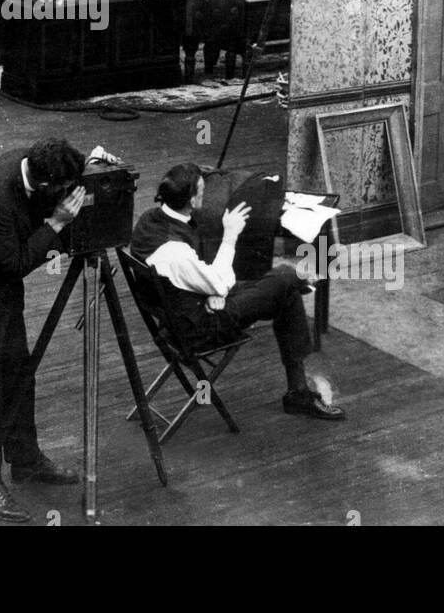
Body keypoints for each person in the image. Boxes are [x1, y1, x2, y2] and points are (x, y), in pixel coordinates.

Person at [0, 137, 118, 523]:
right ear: (47, 183)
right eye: (63, 190)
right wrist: (57, 223)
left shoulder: (34, 163)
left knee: (20, 374)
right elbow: (15, 262)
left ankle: (26, 460)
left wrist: (94, 167)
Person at [130, 163, 345, 422]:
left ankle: (298, 388)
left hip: (181, 312)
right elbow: (218, 283)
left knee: (284, 287)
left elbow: (196, 280)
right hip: (200, 328)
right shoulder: (175, 252)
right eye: (202, 190)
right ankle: (298, 391)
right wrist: (230, 234)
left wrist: (209, 292)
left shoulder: (149, 221)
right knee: (286, 276)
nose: (206, 194)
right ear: (192, 199)